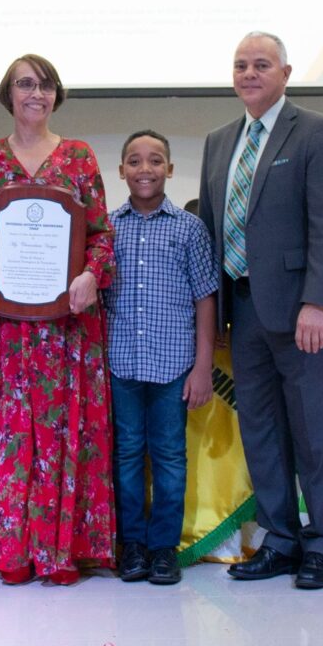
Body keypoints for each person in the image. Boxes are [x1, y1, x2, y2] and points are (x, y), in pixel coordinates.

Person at [0, 54, 116, 586]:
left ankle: (61, 551)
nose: (35, 94)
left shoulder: (80, 157)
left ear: (56, 94)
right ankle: (11, 550)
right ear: (9, 94)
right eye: (25, 84)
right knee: (8, 435)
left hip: (66, 326)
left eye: (44, 85)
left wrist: (90, 275)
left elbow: (101, 236)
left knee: (65, 433)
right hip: (4, 327)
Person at [197, 31, 323, 590]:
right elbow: (212, 229)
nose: (249, 73)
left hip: (303, 312)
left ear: (285, 74)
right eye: (241, 65)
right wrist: (215, 314)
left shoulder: (316, 131)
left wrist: (317, 301)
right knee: (260, 430)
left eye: (261, 64)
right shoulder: (219, 141)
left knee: (314, 431)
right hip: (243, 309)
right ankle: (281, 540)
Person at [104, 130, 218, 586]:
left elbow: (205, 299)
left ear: (169, 169)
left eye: (155, 161)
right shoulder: (108, 228)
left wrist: (203, 367)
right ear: (121, 171)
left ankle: (164, 547)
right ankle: (132, 543)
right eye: (135, 161)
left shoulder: (189, 228)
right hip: (122, 363)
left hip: (173, 365)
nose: (145, 169)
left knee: (170, 455)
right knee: (128, 453)